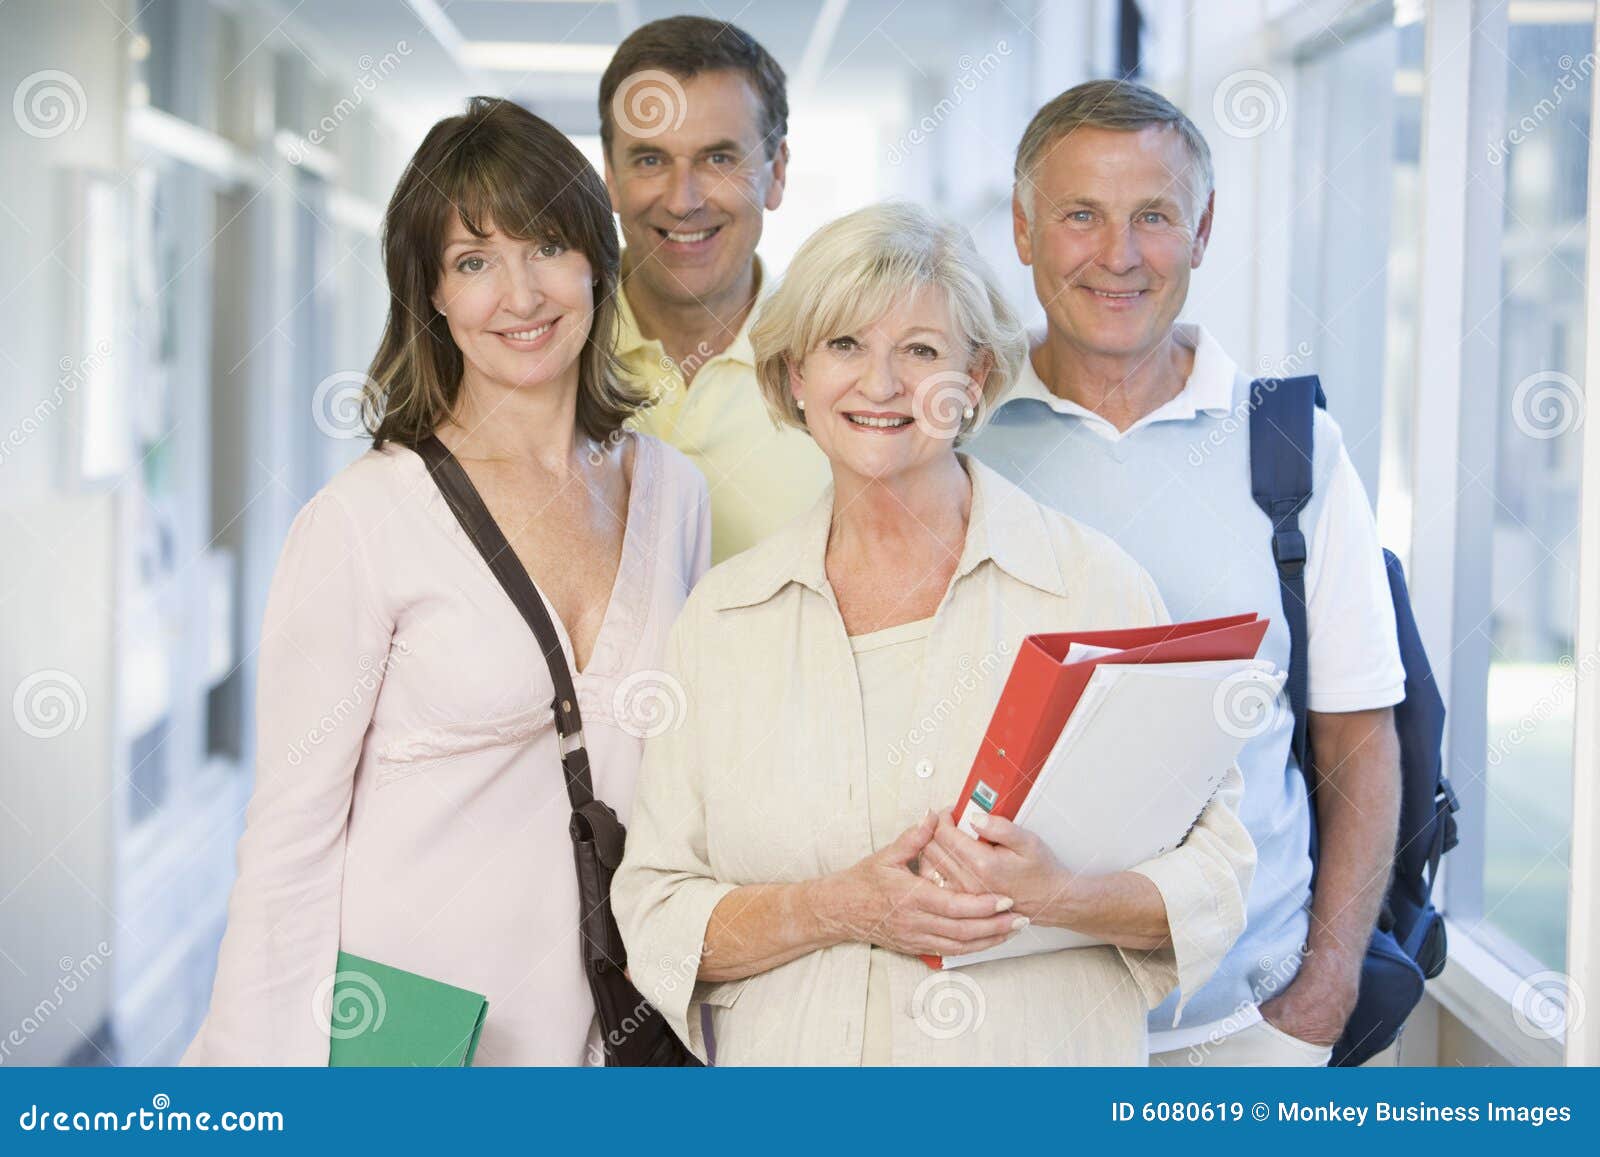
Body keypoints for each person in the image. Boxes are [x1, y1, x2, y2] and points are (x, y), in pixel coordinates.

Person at [612, 202, 1254, 1066]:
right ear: (794, 373)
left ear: (975, 375)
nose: (881, 384)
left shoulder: (1095, 589)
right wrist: (838, 906)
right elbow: (657, 912)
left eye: (919, 351)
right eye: (844, 345)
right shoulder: (723, 620)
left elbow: (1215, 872)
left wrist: (1062, 894)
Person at [183, 98, 710, 1066]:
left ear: (596, 255)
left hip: (623, 1025)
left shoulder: (672, 493)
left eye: (545, 245)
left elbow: (696, 781)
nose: (519, 294)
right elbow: (289, 843)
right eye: (473, 261)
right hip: (418, 1040)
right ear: (429, 294)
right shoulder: (363, 522)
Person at [965, 79, 1405, 1067]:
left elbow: (1358, 735)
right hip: (1008, 1028)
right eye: (1081, 214)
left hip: (1246, 1029)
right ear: (1025, 229)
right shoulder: (955, 433)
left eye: (1152, 216)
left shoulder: (1292, 448)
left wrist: (1321, 997)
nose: (1117, 254)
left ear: (1201, 231)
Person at [599, 15, 830, 564]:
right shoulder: (538, 355)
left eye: (719, 159)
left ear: (776, 174)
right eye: (651, 159)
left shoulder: (848, 379)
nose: (683, 200)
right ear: (609, 175)